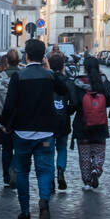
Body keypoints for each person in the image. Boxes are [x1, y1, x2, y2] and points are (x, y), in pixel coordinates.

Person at [0, 37, 69, 219]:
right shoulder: (49, 76)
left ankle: (25, 210)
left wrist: (4, 123)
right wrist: (51, 69)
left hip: (22, 132)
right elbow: (64, 88)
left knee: (22, 171)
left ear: (26, 56)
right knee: (45, 170)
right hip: (45, 132)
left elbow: (10, 104)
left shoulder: (18, 77)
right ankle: (44, 200)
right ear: (43, 56)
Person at [71, 56, 110, 189]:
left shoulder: (78, 82)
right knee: (99, 152)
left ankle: (87, 182)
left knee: (84, 156)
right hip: (100, 124)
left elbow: (74, 103)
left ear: (84, 67)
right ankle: (96, 169)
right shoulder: (103, 82)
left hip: (82, 124)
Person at [0, 48, 20, 188]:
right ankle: (15, 168)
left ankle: (6, 177)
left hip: (2, 116)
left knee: (6, 148)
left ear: (7, 60)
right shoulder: (22, 75)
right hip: (20, 117)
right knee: (19, 147)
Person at [47, 51, 74, 191]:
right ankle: (61, 172)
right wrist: (67, 111)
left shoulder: (46, 81)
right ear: (62, 66)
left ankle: (50, 178)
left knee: (49, 151)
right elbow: (74, 102)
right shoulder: (67, 82)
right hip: (63, 120)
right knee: (62, 148)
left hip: (49, 122)